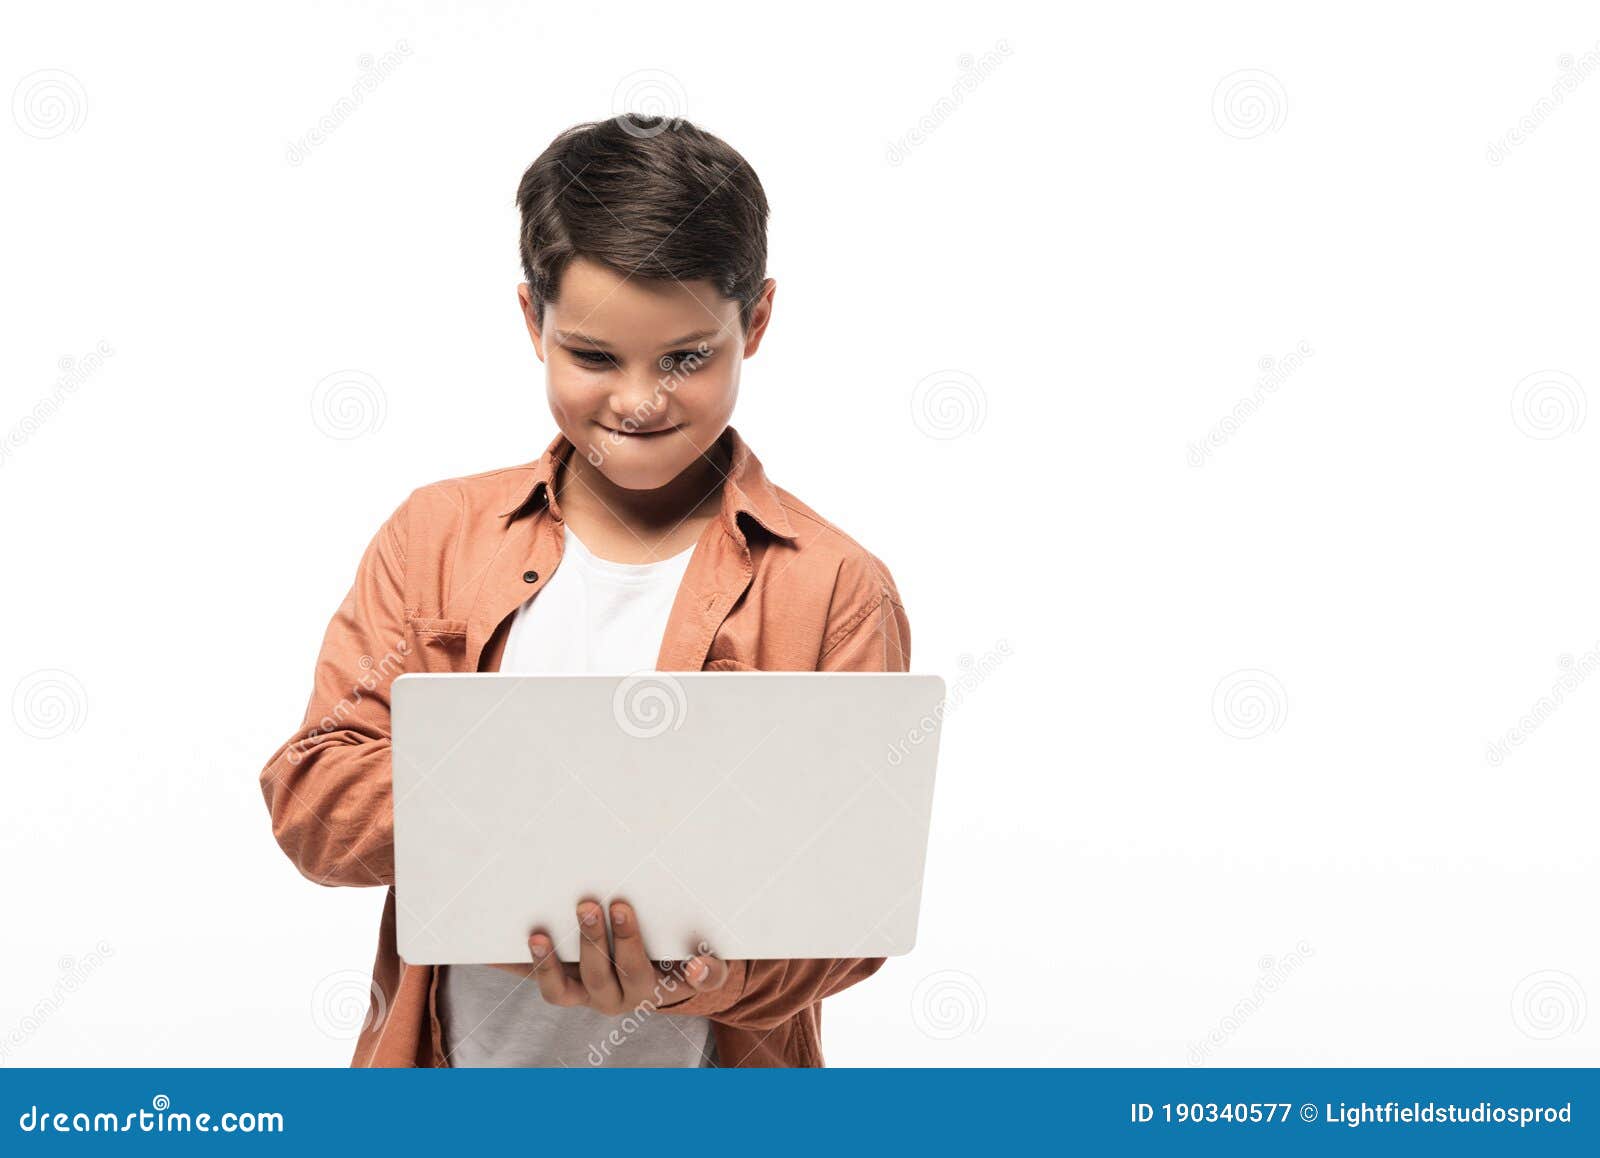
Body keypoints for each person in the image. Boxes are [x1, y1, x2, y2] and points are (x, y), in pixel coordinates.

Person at [259, 115, 912, 1068]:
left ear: (757, 323)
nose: (639, 401)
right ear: (534, 321)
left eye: (686, 357)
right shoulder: (435, 535)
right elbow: (313, 799)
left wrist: (692, 979)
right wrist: (522, 811)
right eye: (595, 357)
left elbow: (852, 912)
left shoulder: (837, 589)